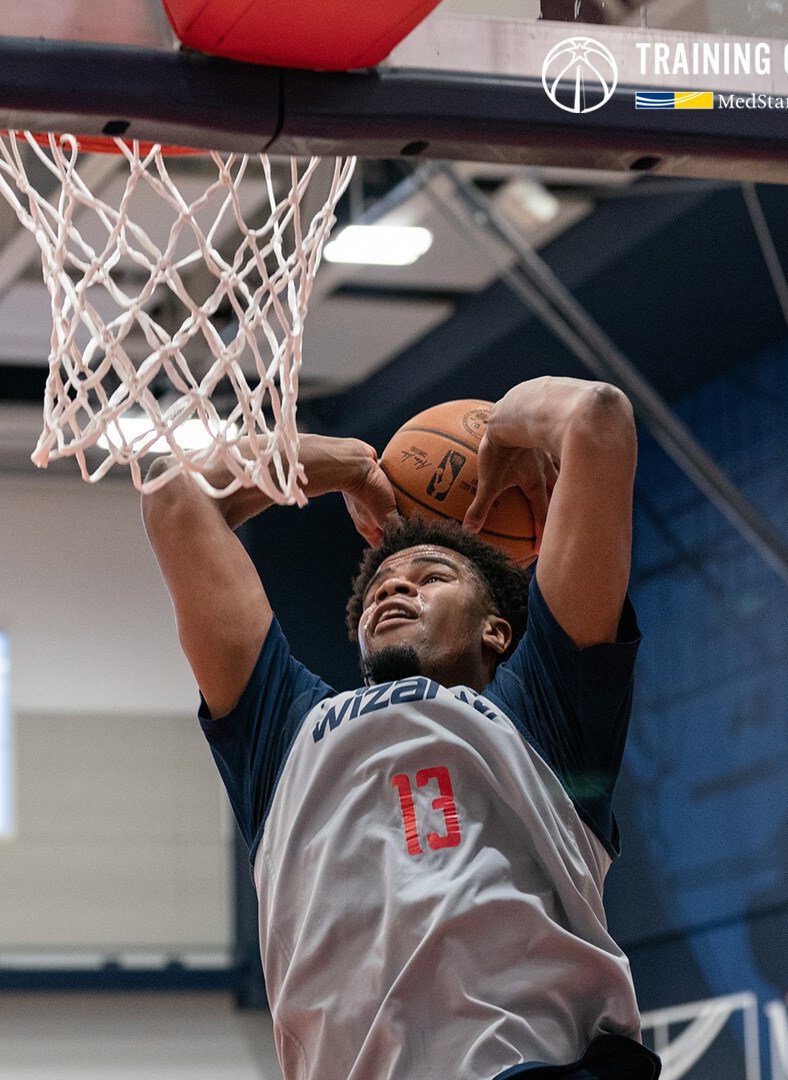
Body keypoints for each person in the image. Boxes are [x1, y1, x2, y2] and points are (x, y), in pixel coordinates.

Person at [142, 376, 660, 1080]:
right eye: (382, 581)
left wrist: (505, 424)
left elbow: (598, 419)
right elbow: (175, 499)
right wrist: (348, 463)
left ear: (498, 630)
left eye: (432, 574)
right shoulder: (284, 730)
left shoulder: (544, 709)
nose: (394, 585)